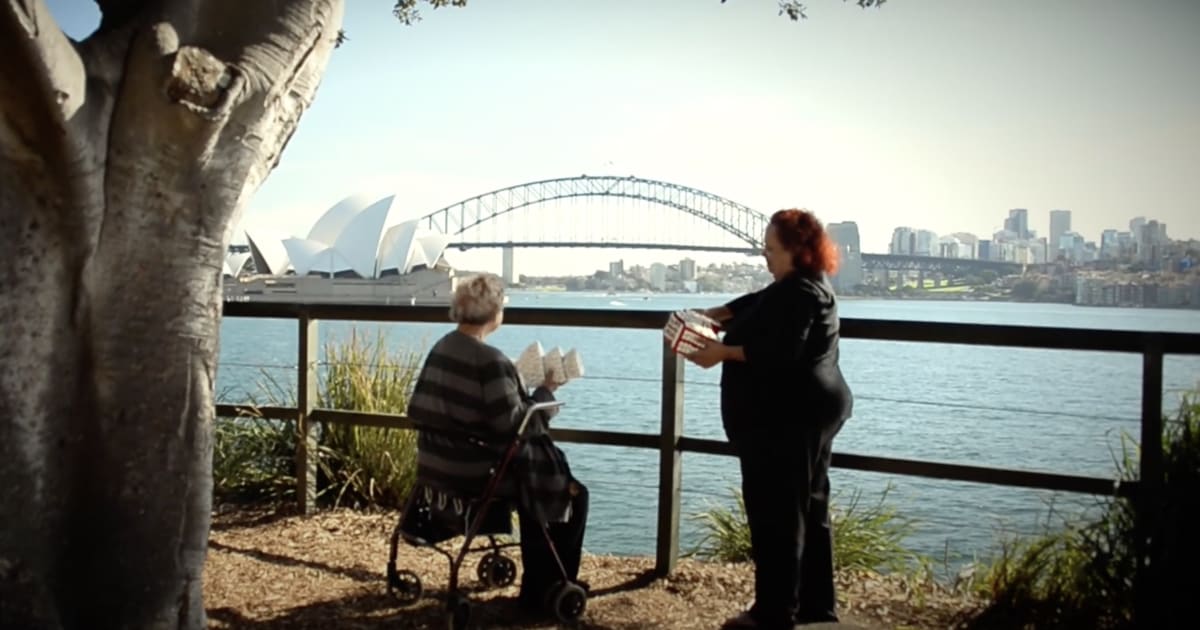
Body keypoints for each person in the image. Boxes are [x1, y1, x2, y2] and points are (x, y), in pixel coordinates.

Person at [686, 209, 854, 629]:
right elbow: (756, 302)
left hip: (789, 417)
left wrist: (720, 352)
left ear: (796, 250)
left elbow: (782, 353)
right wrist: (717, 313)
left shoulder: (799, 293)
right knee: (809, 508)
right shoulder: (798, 286)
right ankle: (816, 607)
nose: (764, 255)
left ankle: (773, 613)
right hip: (808, 410)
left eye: (771, 248)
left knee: (776, 514)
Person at [406, 273, 588, 615]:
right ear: (494, 313)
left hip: (438, 468)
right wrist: (546, 394)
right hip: (478, 474)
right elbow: (514, 427)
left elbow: (420, 407)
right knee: (569, 493)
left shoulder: (442, 348)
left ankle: (542, 584)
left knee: (536, 480)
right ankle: (547, 589)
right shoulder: (492, 362)